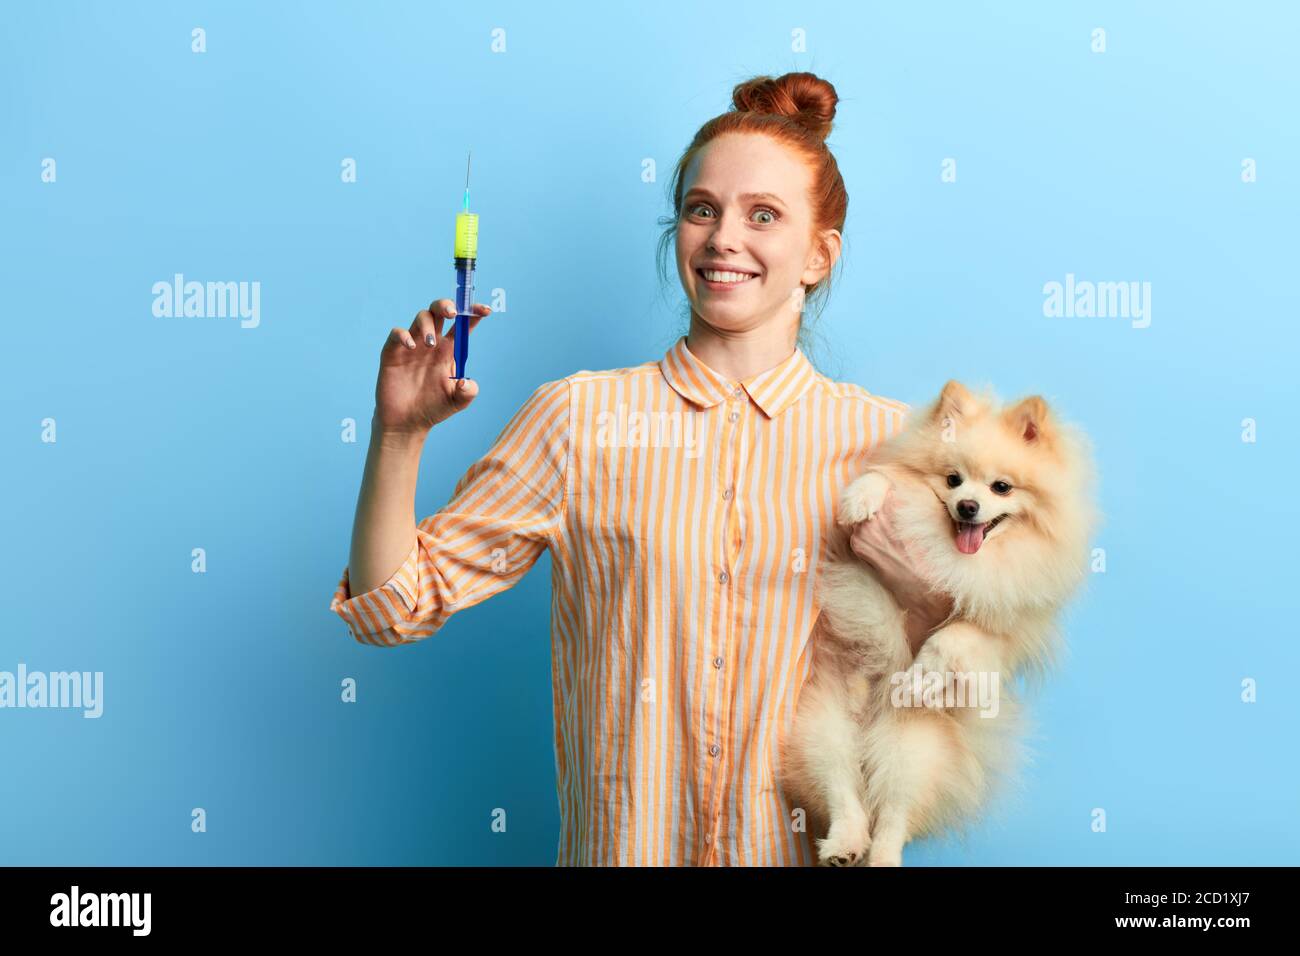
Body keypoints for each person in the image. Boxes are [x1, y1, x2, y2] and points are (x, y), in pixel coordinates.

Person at [330, 71, 954, 866]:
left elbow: (958, 694)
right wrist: (397, 436)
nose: (725, 237)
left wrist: (930, 599)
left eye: (764, 215)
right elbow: (392, 610)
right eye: (703, 210)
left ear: (818, 257)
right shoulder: (577, 420)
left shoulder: (891, 445)